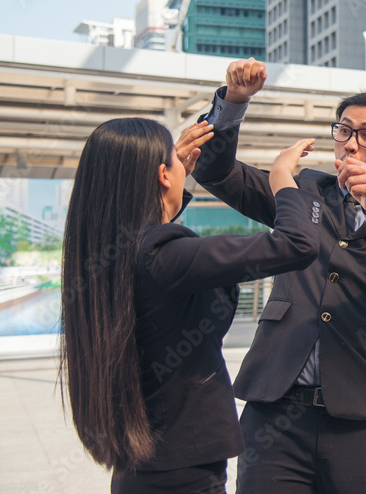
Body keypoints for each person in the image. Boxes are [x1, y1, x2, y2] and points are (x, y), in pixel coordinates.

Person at [189, 58, 366, 494]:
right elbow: (217, 173)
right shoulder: (301, 192)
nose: (351, 145)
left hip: (363, 418)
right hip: (275, 408)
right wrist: (233, 104)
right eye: (344, 130)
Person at [59, 117, 320, 493]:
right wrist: (282, 179)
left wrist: (164, 174)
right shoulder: (165, 256)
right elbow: (298, 243)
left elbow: (153, 237)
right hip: (185, 470)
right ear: (164, 175)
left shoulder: (106, 257)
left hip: (141, 467)